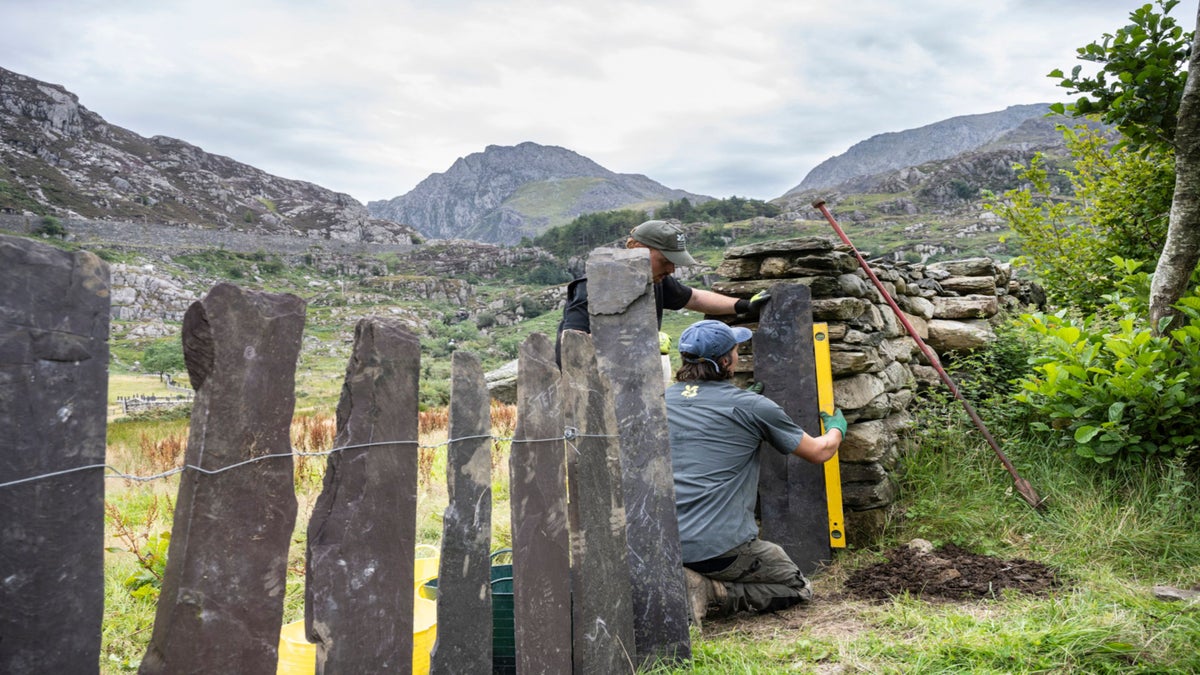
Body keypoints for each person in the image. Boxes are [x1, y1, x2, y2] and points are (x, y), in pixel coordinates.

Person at [665, 319, 847, 627]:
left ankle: (683, 576)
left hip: (661, 543)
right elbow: (819, 452)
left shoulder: (661, 401)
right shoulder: (752, 407)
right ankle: (713, 591)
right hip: (719, 549)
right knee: (795, 587)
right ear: (726, 361)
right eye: (736, 349)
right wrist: (836, 431)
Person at [554, 219, 769, 364]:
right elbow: (573, 342)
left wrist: (744, 305)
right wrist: (635, 340)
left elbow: (694, 298)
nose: (671, 269)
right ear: (635, 247)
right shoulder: (594, 286)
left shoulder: (654, 281)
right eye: (665, 261)